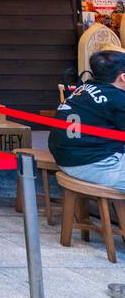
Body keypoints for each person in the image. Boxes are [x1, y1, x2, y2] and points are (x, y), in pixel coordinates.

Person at [48, 50, 125, 192]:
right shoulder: (118, 99)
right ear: (123, 77)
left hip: (67, 157)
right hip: (94, 164)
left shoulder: (84, 87)